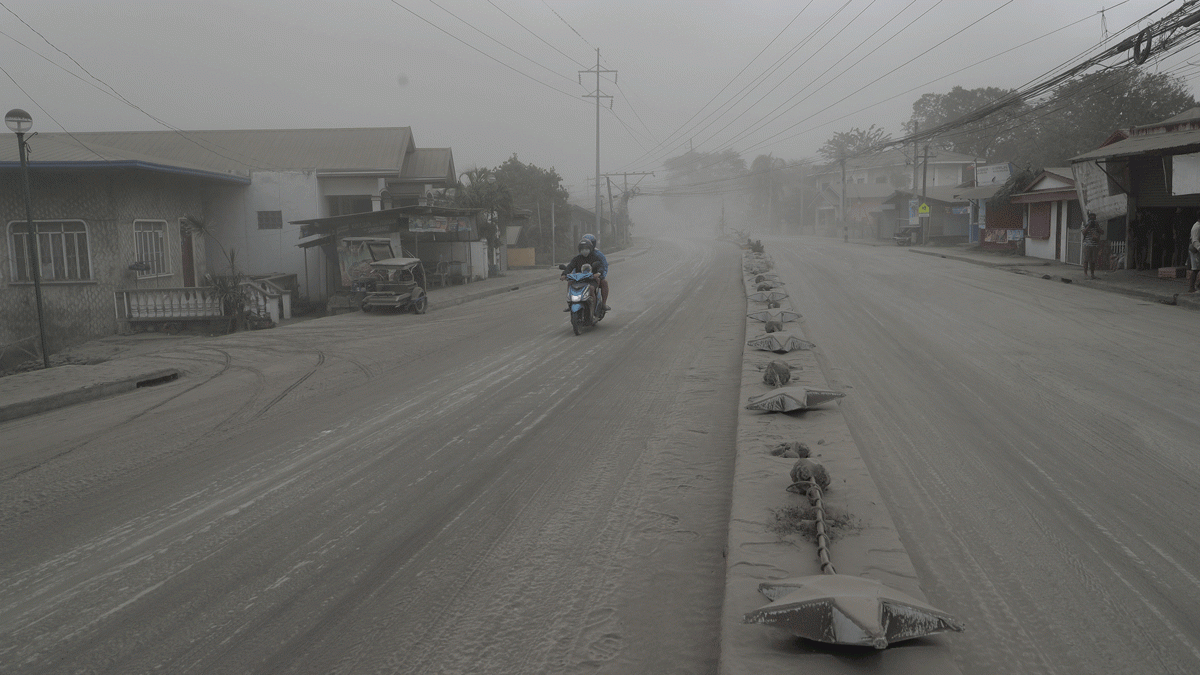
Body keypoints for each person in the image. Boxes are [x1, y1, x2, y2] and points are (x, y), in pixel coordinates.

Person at [579, 234, 610, 310]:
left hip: (594, 276)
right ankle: (571, 302)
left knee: (604, 282)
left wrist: (600, 275)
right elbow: (574, 266)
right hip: (582, 277)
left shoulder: (598, 254)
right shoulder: (580, 255)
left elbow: (604, 265)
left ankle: (603, 304)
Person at [1081, 213, 1102, 279]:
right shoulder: (1085, 223)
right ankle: (1085, 274)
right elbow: (1083, 232)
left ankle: (1092, 274)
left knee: (1093, 261)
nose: (1093, 220)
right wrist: (1089, 226)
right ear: (1089, 218)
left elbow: (1102, 232)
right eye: (1091, 218)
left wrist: (1097, 226)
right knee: (1086, 260)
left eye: (1094, 218)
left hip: (1094, 245)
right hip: (1087, 244)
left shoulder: (1097, 224)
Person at [1189, 217, 1200, 293]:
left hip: (1197, 249)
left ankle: (1197, 285)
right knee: (1195, 269)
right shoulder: (1197, 227)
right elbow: (1195, 240)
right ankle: (1191, 287)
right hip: (1195, 250)